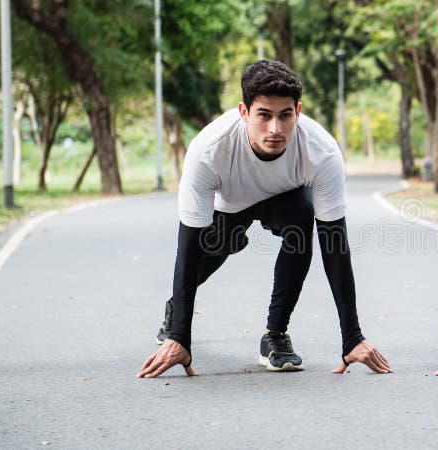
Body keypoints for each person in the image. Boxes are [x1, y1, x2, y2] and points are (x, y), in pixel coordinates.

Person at [138, 60, 391, 378]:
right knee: (214, 249)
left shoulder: (321, 151)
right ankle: (176, 310)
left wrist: (352, 337)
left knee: (302, 217)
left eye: (285, 115)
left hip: (283, 201)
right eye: (264, 115)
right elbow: (187, 248)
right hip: (228, 206)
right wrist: (179, 337)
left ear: (297, 112)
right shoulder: (208, 150)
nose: (276, 129)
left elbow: (335, 247)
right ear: (244, 112)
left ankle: (275, 336)